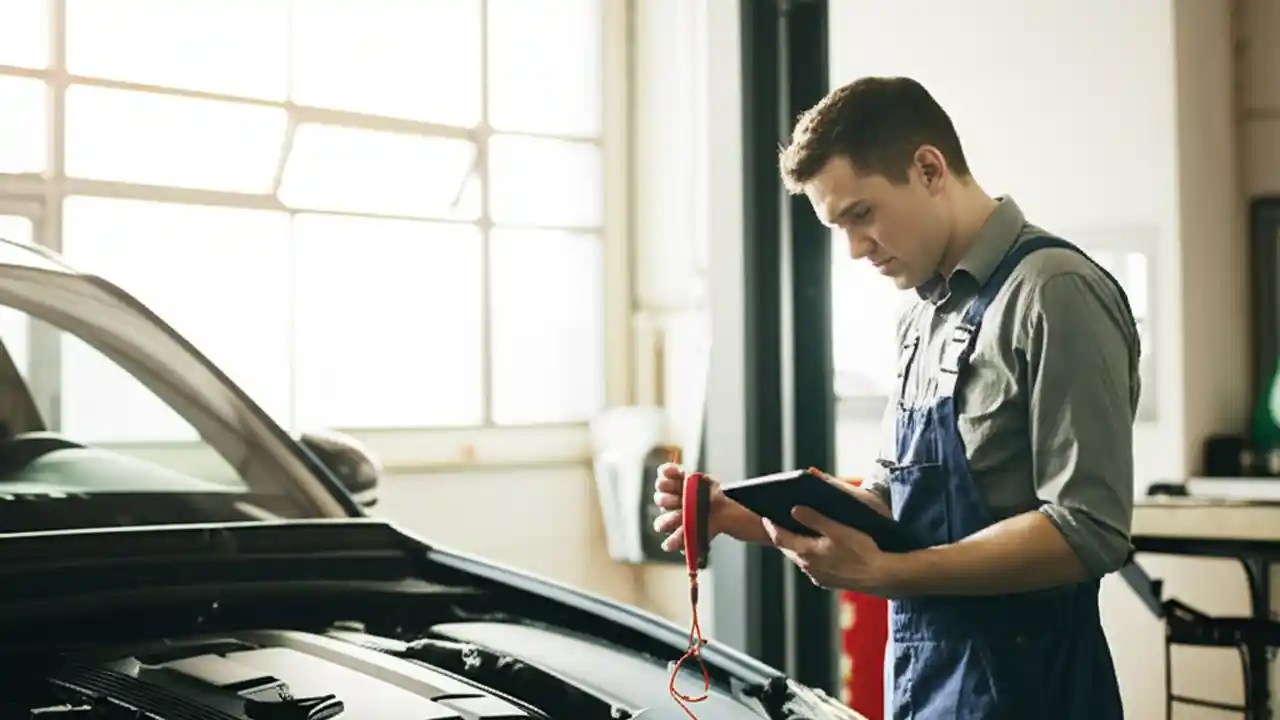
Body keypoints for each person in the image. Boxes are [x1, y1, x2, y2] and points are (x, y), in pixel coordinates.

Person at [652, 76, 1140, 719]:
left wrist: (888, 575)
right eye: (838, 227)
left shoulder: (1055, 293)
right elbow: (892, 504)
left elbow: (1088, 530)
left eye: (862, 215)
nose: (855, 249)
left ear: (929, 169)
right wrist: (737, 514)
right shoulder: (920, 318)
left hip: (1036, 693)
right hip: (925, 687)